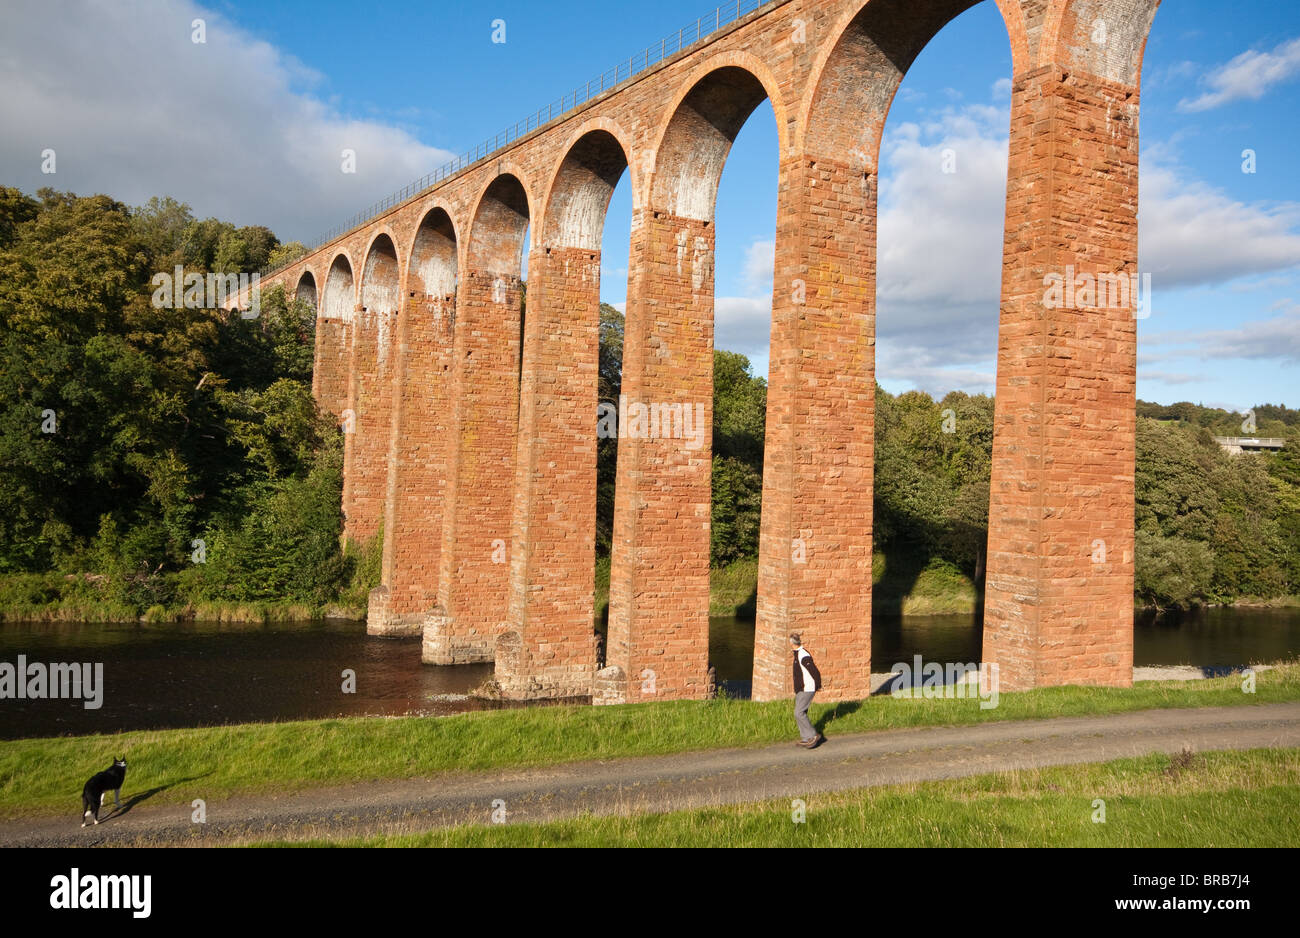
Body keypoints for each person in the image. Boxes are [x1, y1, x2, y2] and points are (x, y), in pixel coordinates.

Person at [790, 633, 824, 748]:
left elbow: (814, 670)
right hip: (801, 688)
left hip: (807, 688)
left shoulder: (803, 655)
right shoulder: (798, 654)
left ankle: (812, 735)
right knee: (800, 712)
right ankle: (806, 738)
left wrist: (818, 685)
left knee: (798, 712)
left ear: (792, 643)